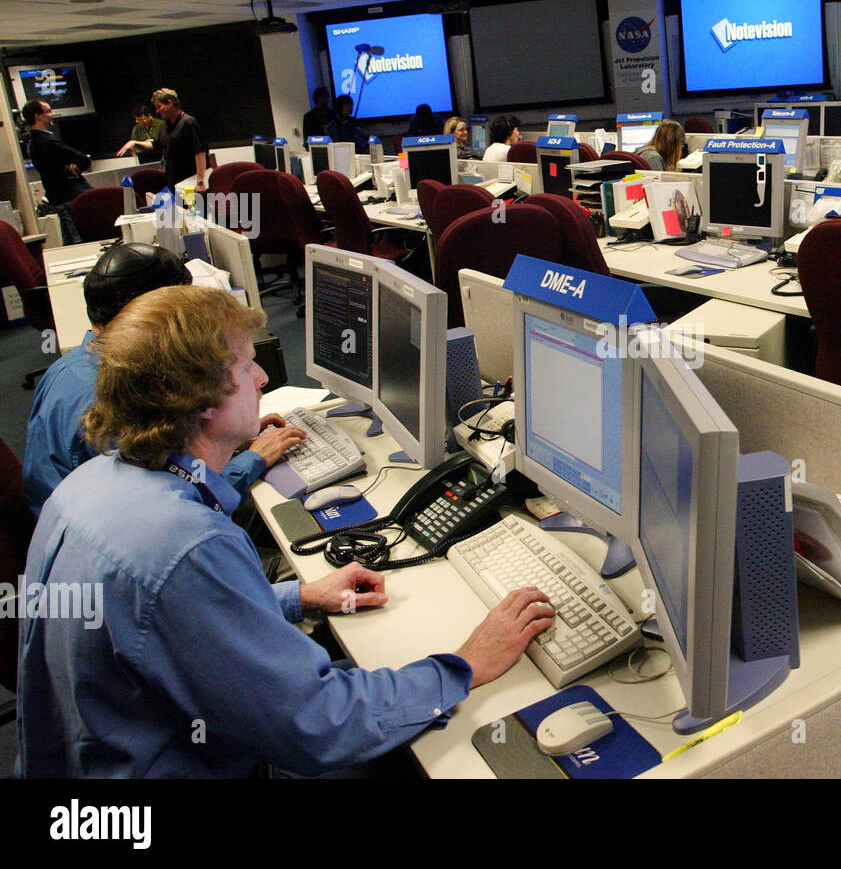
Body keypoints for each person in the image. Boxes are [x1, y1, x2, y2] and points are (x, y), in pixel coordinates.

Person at [16, 286, 555, 778]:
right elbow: (318, 726)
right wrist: (464, 666)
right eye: (248, 366)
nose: (263, 379)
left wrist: (296, 596)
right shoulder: (185, 544)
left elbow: (156, 616)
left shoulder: (88, 487)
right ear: (202, 400)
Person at [21, 242, 305, 520]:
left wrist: (224, 435)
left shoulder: (67, 366)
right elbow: (170, 503)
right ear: (153, 315)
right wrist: (252, 460)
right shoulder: (124, 390)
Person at [22, 98, 91, 244]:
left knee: (69, 241)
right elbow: (84, 160)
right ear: (37, 116)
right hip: (68, 197)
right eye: (48, 111)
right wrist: (73, 165)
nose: (52, 114)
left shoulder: (34, 143)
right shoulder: (48, 142)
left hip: (58, 198)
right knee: (78, 243)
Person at [115, 88, 208, 193]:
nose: (157, 111)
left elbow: (200, 152)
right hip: (175, 181)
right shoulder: (167, 126)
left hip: (191, 181)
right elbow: (156, 145)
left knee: (195, 208)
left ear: (170, 103)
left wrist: (200, 181)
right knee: (180, 209)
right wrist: (135, 143)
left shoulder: (188, 123)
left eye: (159, 106)